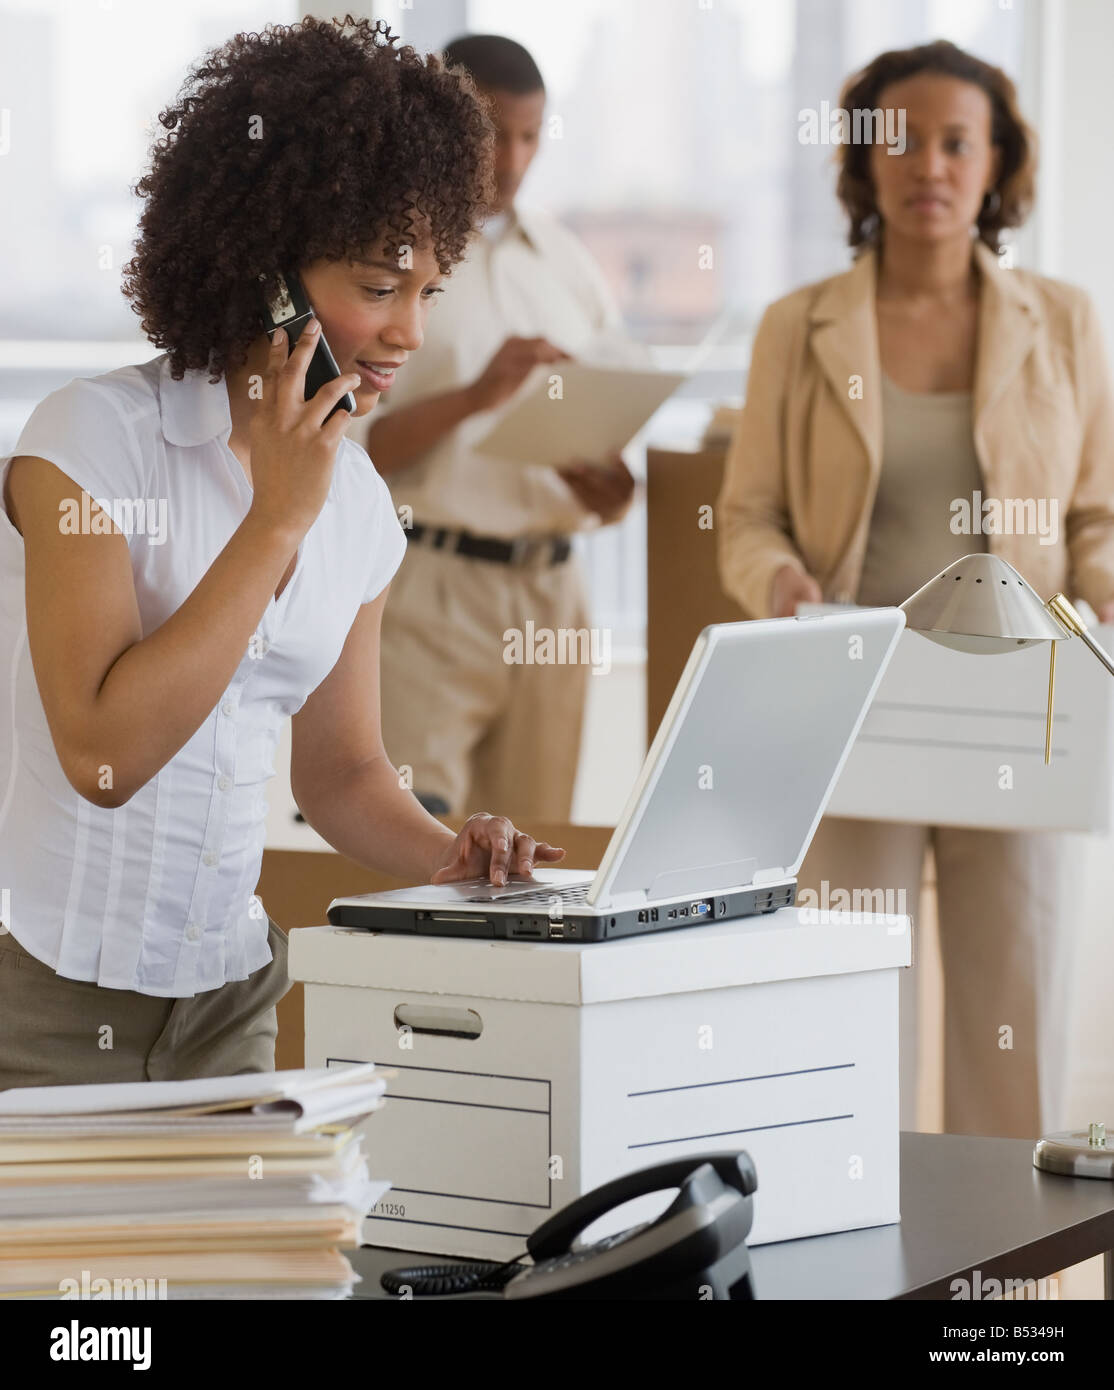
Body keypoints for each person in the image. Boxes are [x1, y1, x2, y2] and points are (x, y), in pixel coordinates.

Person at [0, 16, 566, 1091]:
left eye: (429, 291)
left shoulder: (352, 498)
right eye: (377, 284)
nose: (408, 331)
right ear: (267, 269)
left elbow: (344, 771)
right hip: (40, 996)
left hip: (231, 1000)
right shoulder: (88, 442)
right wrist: (272, 521)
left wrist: (455, 855)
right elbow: (102, 756)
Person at [716, 40, 1114, 1138]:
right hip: (855, 699)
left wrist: (1101, 596)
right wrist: (780, 582)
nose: (926, 165)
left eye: (955, 141)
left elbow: (1096, 513)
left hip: (1023, 702)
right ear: (861, 161)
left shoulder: (1064, 320)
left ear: (995, 165)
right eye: (900, 140)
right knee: (849, 1006)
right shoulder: (797, 327)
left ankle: (1006, 1294)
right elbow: (747, 516)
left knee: (1013, 1012)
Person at [361, 33, 637, 823]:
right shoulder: (385, 260)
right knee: (410, 852)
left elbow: (611, 412)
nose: (511, 159)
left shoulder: (567, 262)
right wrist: (477, 395)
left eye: (529, 134)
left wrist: (615, 493)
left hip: (556, 594)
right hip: (430, 591)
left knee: (532, 857)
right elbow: (352, 452)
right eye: (491, 132)